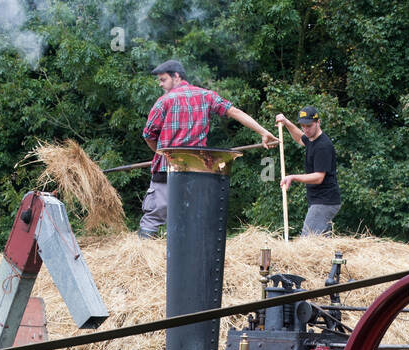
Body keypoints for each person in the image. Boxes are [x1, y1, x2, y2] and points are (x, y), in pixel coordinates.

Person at [139, 59, 278, 238]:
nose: (160, 84)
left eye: (163, 79)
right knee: (192, 218)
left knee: (153, 218)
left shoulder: (163, 102)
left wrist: (161, 154)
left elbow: (149, 135)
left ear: (176, 76)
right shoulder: (206, 96)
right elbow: (234, 111)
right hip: (198, 170)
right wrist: (263, 132)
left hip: (166, 170)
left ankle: (142, 260)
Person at [274, 106, 341, 236]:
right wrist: (286, 123)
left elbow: (318, 177)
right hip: (320, 201)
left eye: (309, 126)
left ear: (318, 122)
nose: (305, 129)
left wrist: (292, 177)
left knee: (308, 241)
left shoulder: (323, 146)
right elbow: (299, 138)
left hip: (324, 202)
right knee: (320, 244)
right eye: (303, 126)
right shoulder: (311, 139)